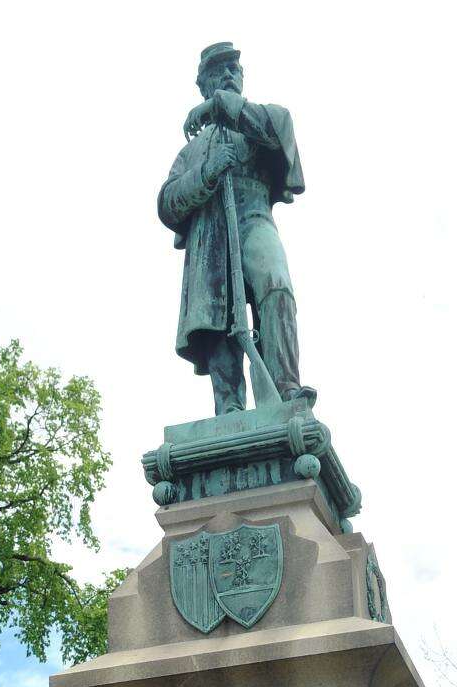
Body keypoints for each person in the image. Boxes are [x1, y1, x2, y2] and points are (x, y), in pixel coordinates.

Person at [158, 41, 306, 415]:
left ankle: (286, 388)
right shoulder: (191, 151)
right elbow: (167, 203)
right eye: (217, 72)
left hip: (254, 215)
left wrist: (222, 108)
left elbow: (278, 132)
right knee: (218, 319)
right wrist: (206, 173)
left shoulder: (260, 119)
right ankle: (229, 406)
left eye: (234, 70)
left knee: (276, 283)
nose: (228, 75)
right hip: (210, 233)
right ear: (203, 85)